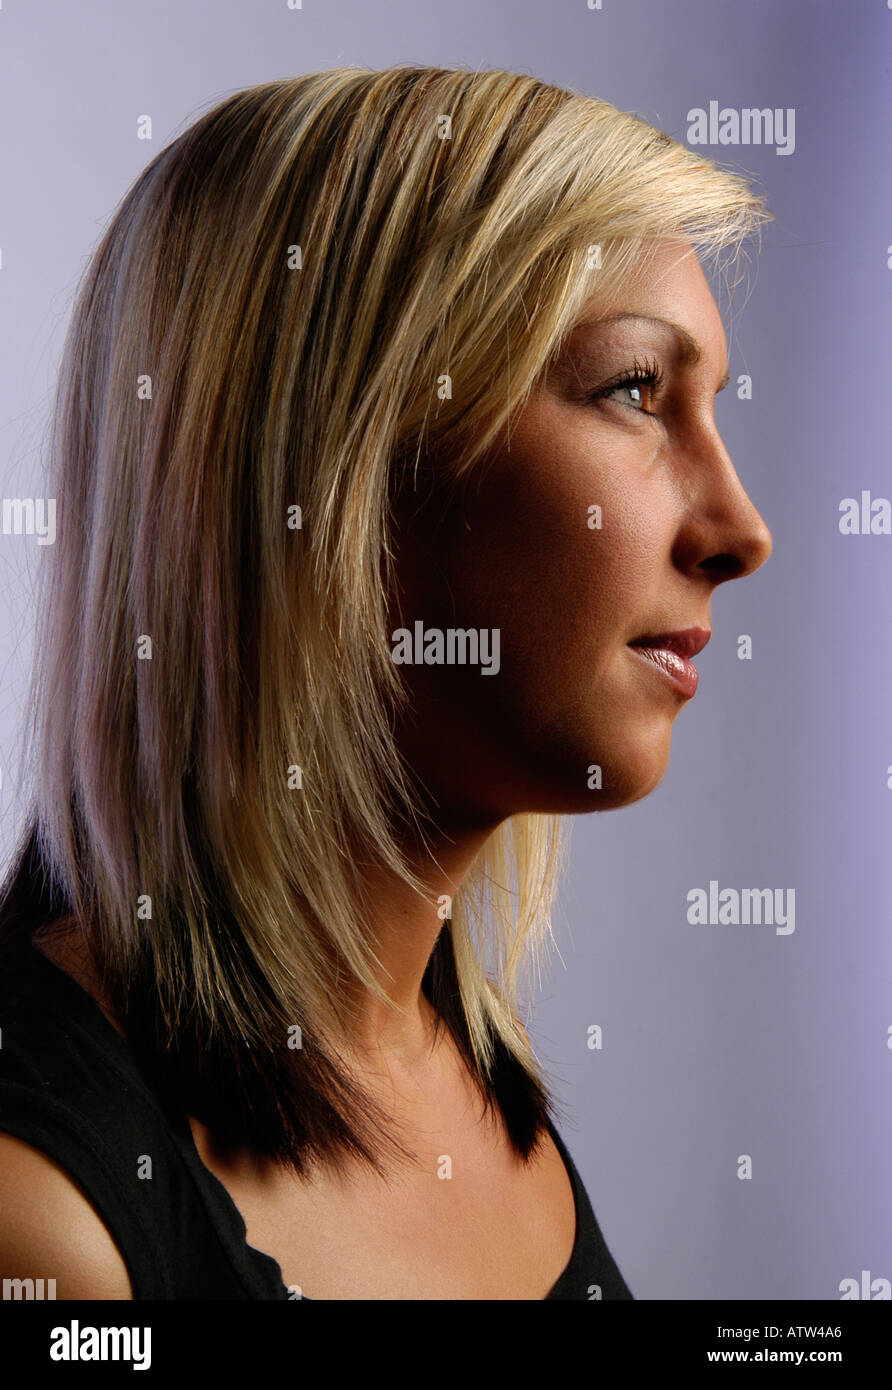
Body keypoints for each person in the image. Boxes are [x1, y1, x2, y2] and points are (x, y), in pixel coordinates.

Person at [0, 65, 772, 1300]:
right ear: (338, 461)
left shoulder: (455, 1063)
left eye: (711, 408)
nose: (740, 528)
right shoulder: (45, 1228)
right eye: (634, 389)